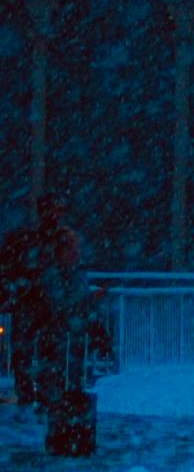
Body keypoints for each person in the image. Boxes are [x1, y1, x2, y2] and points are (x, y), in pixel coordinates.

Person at [22, 196, 108, 458]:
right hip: (58, 345)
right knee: (58, 390)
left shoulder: (75, 276)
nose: (76, 254)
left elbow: (77, 306)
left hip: (71, 347)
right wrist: (84, 307)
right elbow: (61, 306)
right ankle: (61, 438)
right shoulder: (54, 276)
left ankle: (72, 437)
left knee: (71, 389)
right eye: (72, 250)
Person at [0, 215, 39, 411]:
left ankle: (27, 389)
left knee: (22, 349)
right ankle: (30, 390)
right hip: (31, 303)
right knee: (26, 349)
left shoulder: (15, 260)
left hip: (27, 303)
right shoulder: (31, 257)